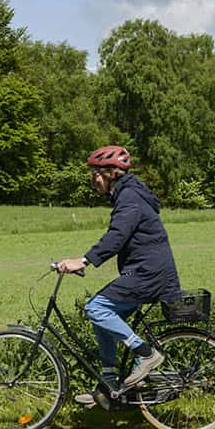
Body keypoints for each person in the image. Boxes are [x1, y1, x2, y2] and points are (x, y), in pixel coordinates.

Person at [54, 145, 181, 406]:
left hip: (149, 273)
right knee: (103, 320)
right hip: (145, 271)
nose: (93, 180)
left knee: (96, 308)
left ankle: (146, 354)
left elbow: (117, 236)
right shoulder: (129, 195)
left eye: (96, 174)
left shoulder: (130, 198)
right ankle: (109, 384)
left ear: (112, 173)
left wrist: (84, 260)